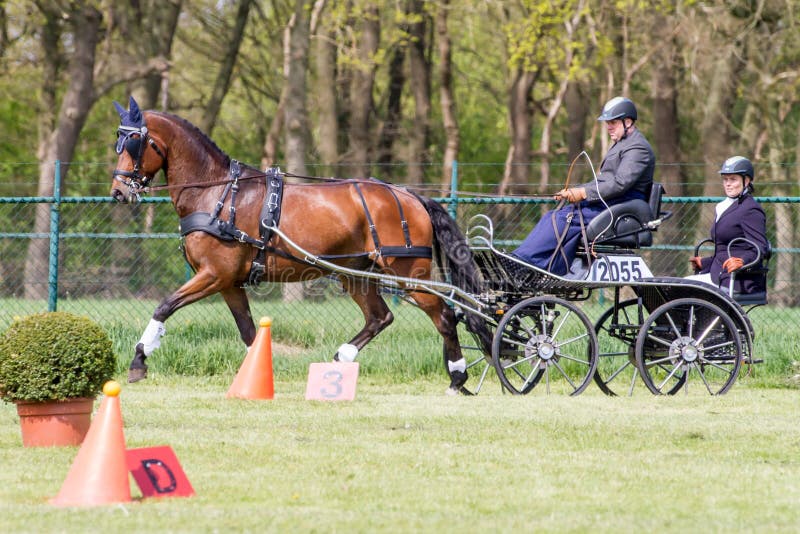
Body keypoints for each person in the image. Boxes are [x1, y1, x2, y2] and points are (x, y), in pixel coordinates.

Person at [512, 96, 655, 275]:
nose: (609, 127)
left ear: (628, 121)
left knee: (560, 220)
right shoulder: (623, 145)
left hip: (620, 209)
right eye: (607, 123)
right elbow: (603, 182)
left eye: (613, 122)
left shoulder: (638, 148)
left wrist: (584, 192)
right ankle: (526, 262)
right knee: (553, 216)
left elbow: (620, 183)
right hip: (608, 203)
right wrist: (573, 192)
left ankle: (527, 265)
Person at [687, 156, 768, 294]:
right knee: (677, 287)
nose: (728, 184)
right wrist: (705, 263)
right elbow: (724, 250)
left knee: (683, 290)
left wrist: (742, 261)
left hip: (738, 280)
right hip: (719, 275)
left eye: (733, 179)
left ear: (746, 181)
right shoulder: (722, 207)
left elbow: (760, 248)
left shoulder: (750, 209)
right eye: (725, 179)